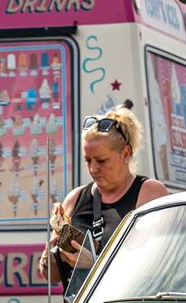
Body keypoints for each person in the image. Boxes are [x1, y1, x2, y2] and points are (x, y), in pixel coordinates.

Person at [44, 109, 168, 289]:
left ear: (125, 153)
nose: (93, 169)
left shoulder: (149, 192)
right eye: (88, 160)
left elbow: (154, 265)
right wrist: (50, 256)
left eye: (101, 161)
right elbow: (52, 277)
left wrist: (94, 264)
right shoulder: (75, 198)